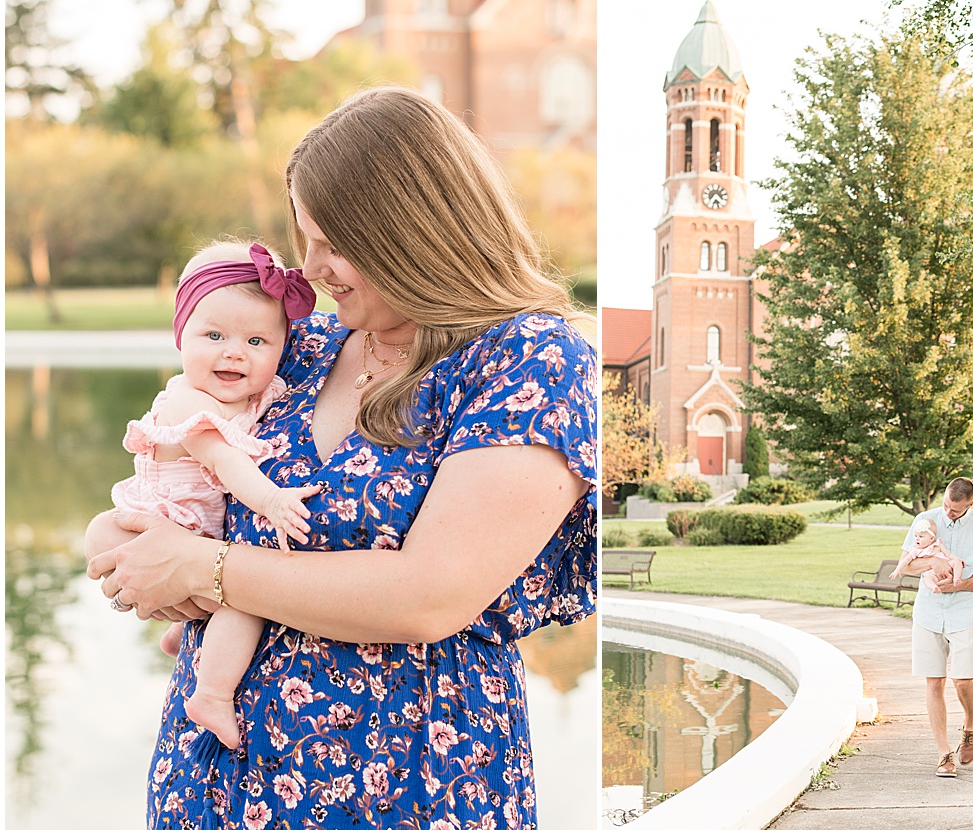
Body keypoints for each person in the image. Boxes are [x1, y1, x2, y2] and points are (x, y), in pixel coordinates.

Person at [85, 86, 598, 829]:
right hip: (212, 782)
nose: (313, 266)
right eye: (305, 237)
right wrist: (120, 547)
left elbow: (429, 594)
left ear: (414, 228)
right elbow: (179, 477)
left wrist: (204, 568)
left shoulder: (529, 359)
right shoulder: (300, 350)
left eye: (336, 241)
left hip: (405, 785)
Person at [110, 239, 319, 752]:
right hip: (173, 521)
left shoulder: (250, 395)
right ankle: (212, 693)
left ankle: (185, 636)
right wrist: (272, 501)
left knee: (232, 582)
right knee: (250, 597)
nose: (233, 351)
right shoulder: (188, 400)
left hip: (194, 531)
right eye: (214, 335)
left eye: (256, 342)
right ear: (181, 338)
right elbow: (226, 461)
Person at [897, 477, 973, 778]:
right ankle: (944, 754)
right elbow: (906, 564)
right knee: (934, 681)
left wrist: (961, 584)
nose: (947, 514)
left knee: (962, 681)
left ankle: (970, 726)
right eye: (945, 506)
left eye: (954, 510)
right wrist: (931, 565)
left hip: (963, 613)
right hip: (928, 613)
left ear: (970, 504)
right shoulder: (925, 520)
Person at [891, 518, 966, 590]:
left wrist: (957, 559)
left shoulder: (938, 544)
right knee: (927, 579)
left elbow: (948, 554)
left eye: (921, 536)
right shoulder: (916, 550)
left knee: (957, 562)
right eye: (915, 536)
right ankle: (934, 587)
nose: (917, 538)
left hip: (947, 564)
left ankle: (956, 579)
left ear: (931, 538)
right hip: (930, 572)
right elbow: (905, 560)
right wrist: (897, 570)